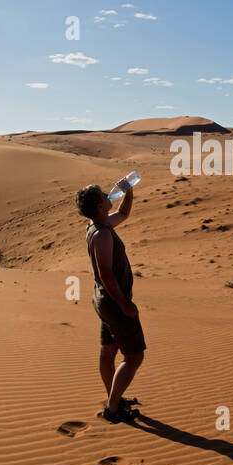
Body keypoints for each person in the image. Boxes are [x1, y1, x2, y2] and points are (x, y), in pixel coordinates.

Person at [75, 179, 145, 423]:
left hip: (103, 300)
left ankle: (113, 396)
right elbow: (106, 273)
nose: (108, 194)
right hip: (114, 302)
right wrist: (124, 304)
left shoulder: (98, 224)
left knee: (109, 350)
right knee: (134, 356)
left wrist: (129, 191)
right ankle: (114, 407)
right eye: (103, 195)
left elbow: (123, 213)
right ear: (99, 206)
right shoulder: (103, 234)